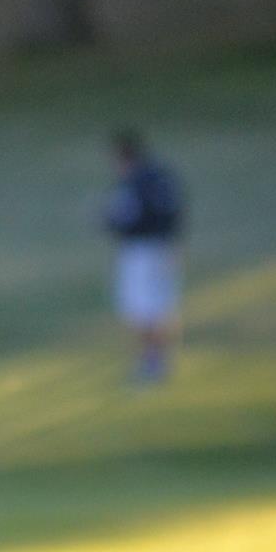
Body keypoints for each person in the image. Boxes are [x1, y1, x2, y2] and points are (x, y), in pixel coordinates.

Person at [103, 129, 185, 382]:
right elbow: (174, 212)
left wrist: (106, 220)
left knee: (141, 309)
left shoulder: (134, 183)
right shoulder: (162, 177)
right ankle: (159, 361)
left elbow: (123, 219)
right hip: (165, 247)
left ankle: (151, 362)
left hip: (140, 251)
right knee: (160, 306)